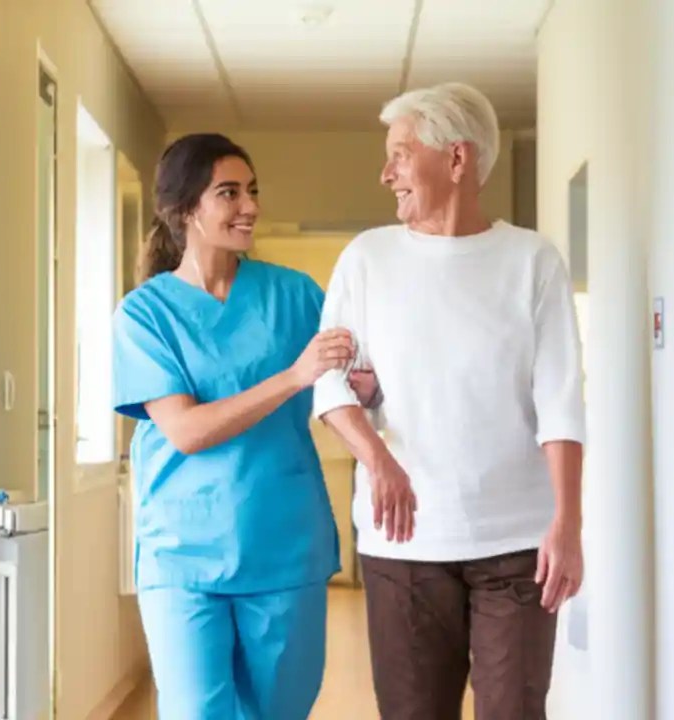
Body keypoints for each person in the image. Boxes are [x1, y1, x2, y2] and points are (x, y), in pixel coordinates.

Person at [313, 82, 587, 719]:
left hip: (516, 545)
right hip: (405, 548)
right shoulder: (368, 259)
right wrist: (378, 459)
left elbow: (561, 401)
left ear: (457, 159)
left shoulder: (531, 261)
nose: (387, 175)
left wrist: (568, 525)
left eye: (401, 155)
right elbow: (330, 382)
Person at [111, 133, 372, 719]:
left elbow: (347, 384)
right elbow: (186, 431)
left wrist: (364, 385)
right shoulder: (144, 315)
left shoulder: (296, 296)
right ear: (185, 210)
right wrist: (294, 376)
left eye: (252, 190)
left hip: (283, 547)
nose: (250, 205)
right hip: (182, 555)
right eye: (229, 193)